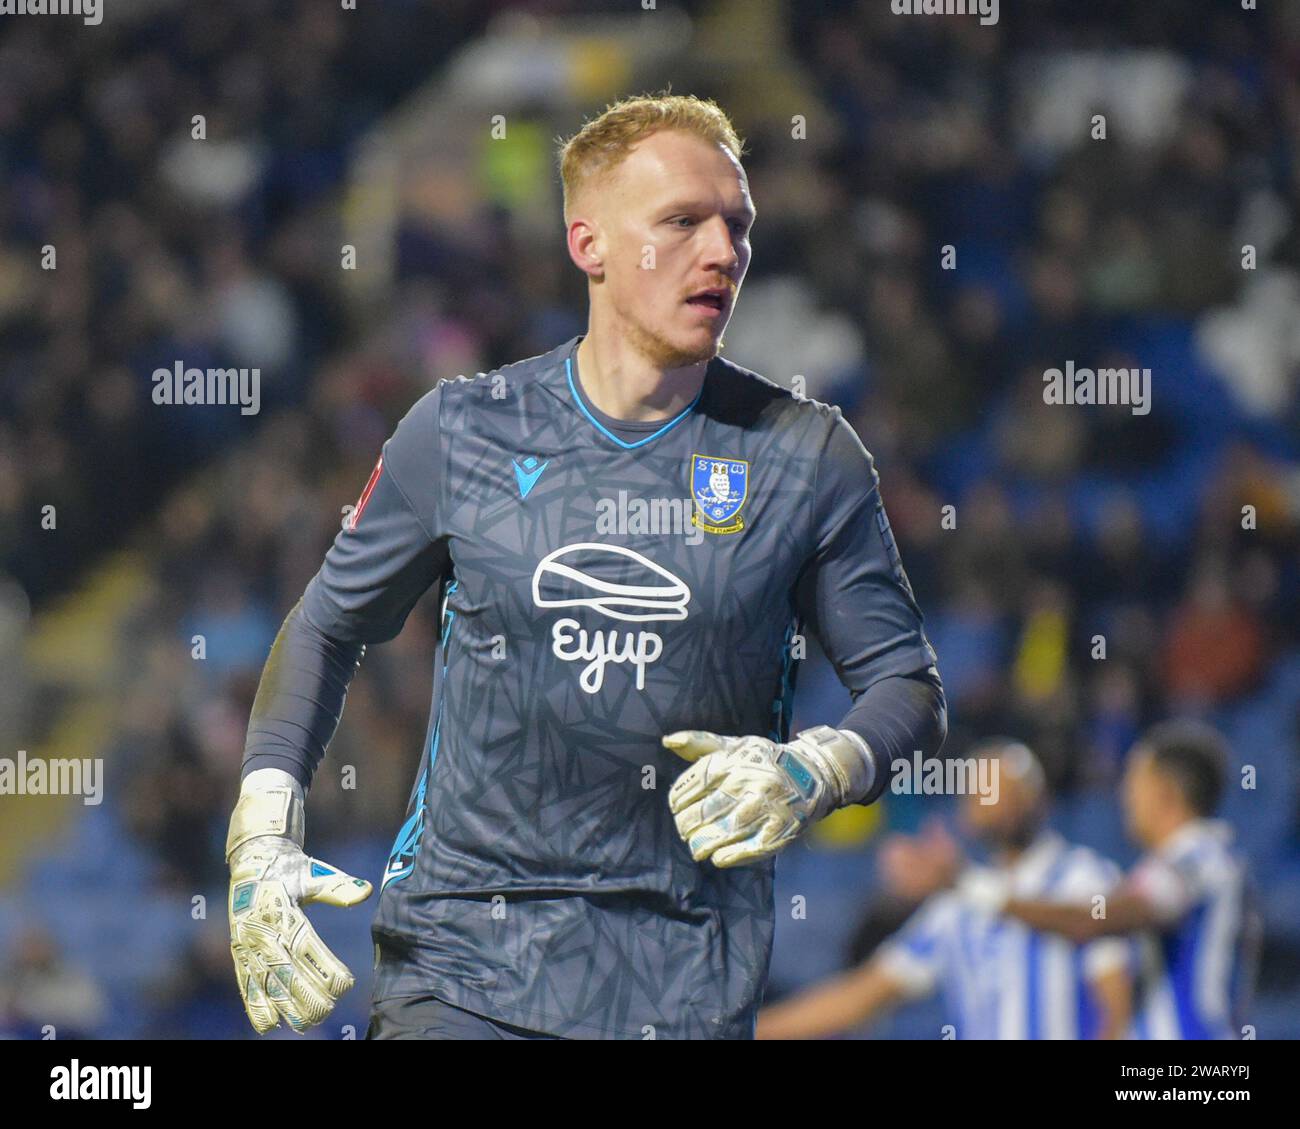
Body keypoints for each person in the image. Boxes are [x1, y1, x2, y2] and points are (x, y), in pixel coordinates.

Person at [223, 92, 946, 1040]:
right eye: (683, 222)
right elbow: (327, 623)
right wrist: (263, 825)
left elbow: (907, 686)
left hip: (684, 988)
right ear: (589, 244)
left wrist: (816, 768)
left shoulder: (805, 455)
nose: (723, 252)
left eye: (737, 225)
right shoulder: (463, 430)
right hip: (463, 967)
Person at [757, 740, 1133, 1040]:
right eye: (978, 792)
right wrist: (751, 1031)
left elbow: (1118, 1007)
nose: (985, 802)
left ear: (1037, 799)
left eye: (1001, 790)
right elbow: (864, 994)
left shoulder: (1083, 878)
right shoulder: (958, 906)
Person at [989, 720, 1259, 1039]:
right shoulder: (1206, 858)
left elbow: (1093, 922)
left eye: (1133, 781)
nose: (1126, 796)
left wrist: (992, 897)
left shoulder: (1197, 861)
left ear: (1164, 791)